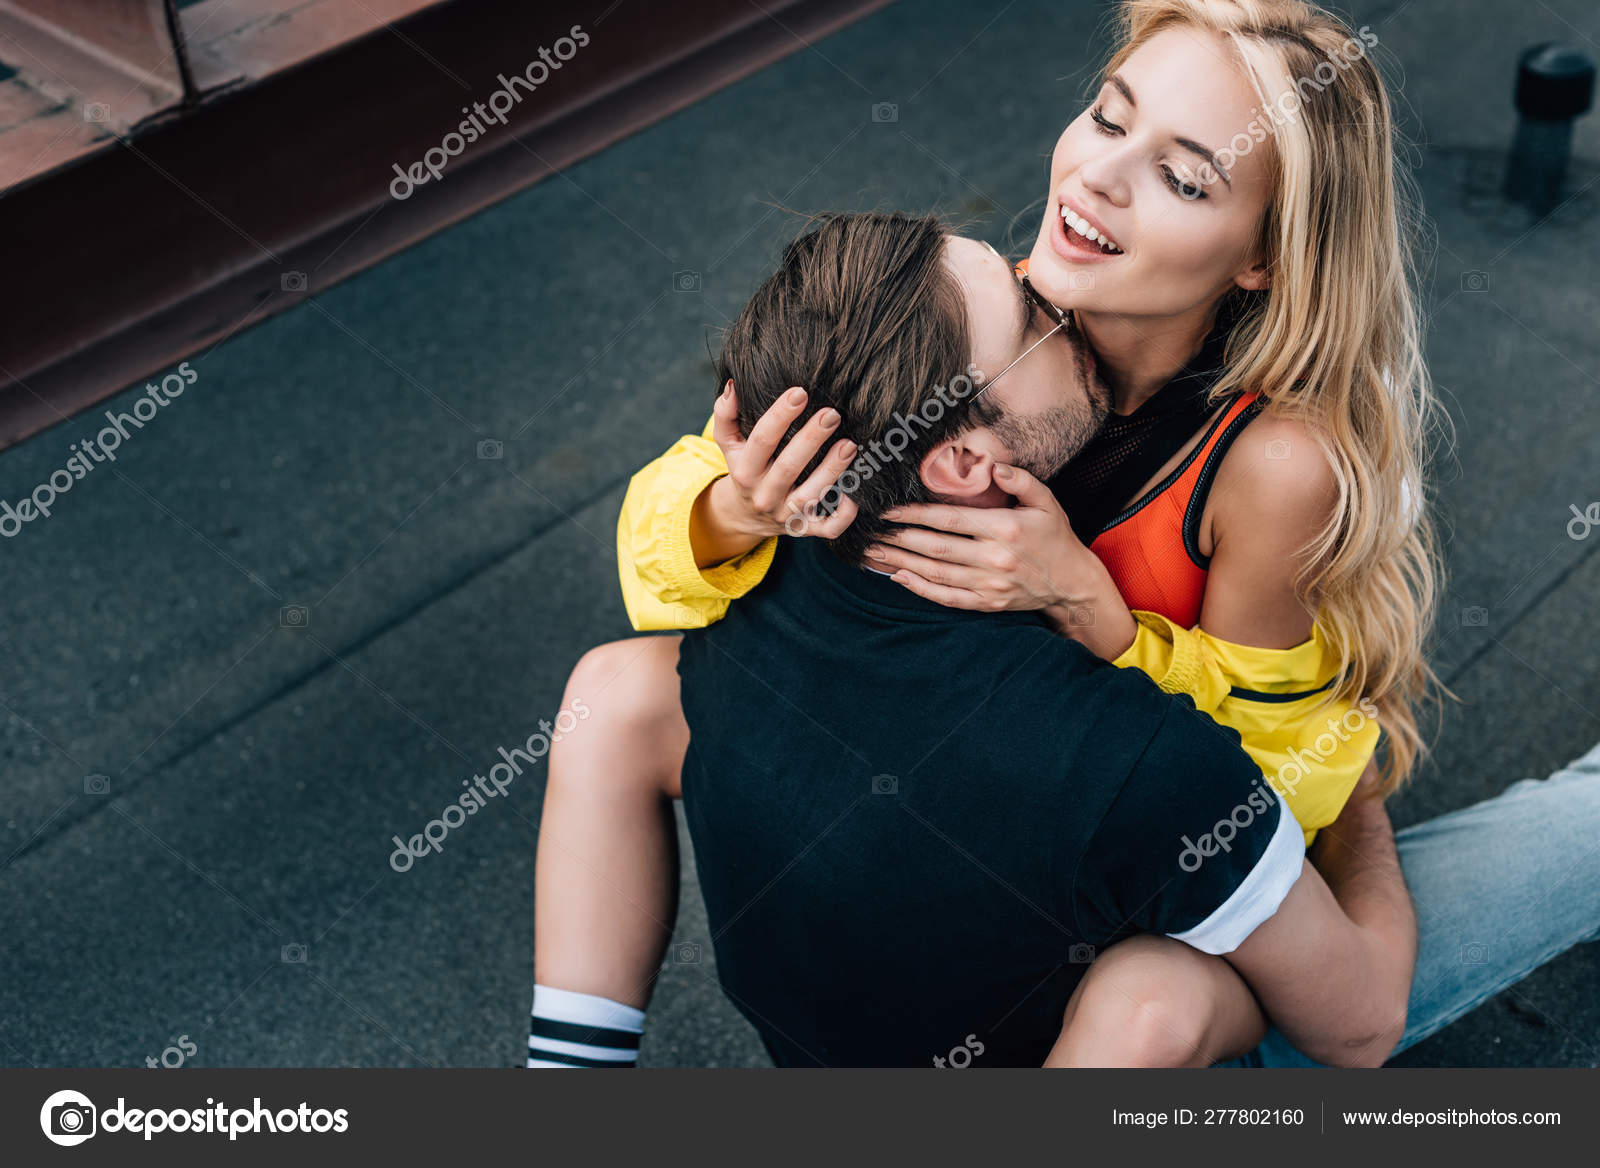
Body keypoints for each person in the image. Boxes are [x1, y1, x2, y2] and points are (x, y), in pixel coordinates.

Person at [528, 0, 1600, 1067]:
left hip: (1193, 891)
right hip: (1021, 821)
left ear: (1261, 258)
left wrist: (1096, 613)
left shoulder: (1269, 465)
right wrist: (738, 505)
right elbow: (657, 573)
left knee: (1558, 842)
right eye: (1106, 115)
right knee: (618, 691)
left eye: (1184, 177)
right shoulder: (1000, 304)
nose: (1095, 177)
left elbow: (1275, 789)